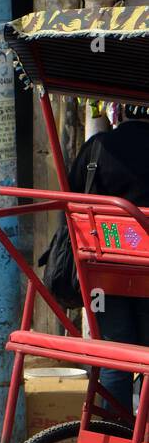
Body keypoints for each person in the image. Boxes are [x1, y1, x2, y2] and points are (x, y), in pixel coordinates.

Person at [75, 103, 149, 414]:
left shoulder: (98, 149)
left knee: (115, 358)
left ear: (119, 113)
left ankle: (114, 436)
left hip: (103, 276)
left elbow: (70, 191)